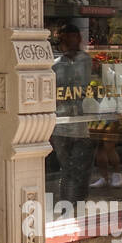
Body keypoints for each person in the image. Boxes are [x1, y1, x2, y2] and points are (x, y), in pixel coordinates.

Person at [50, 22, 95, 203]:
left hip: (81, 124)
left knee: (81, 168)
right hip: (60, 124)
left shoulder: (87, 61)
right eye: (67, 40)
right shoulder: (56, 65)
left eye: (74, 39)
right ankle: (67, 202)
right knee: (67, 168)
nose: (71, 43)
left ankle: (77, 201)